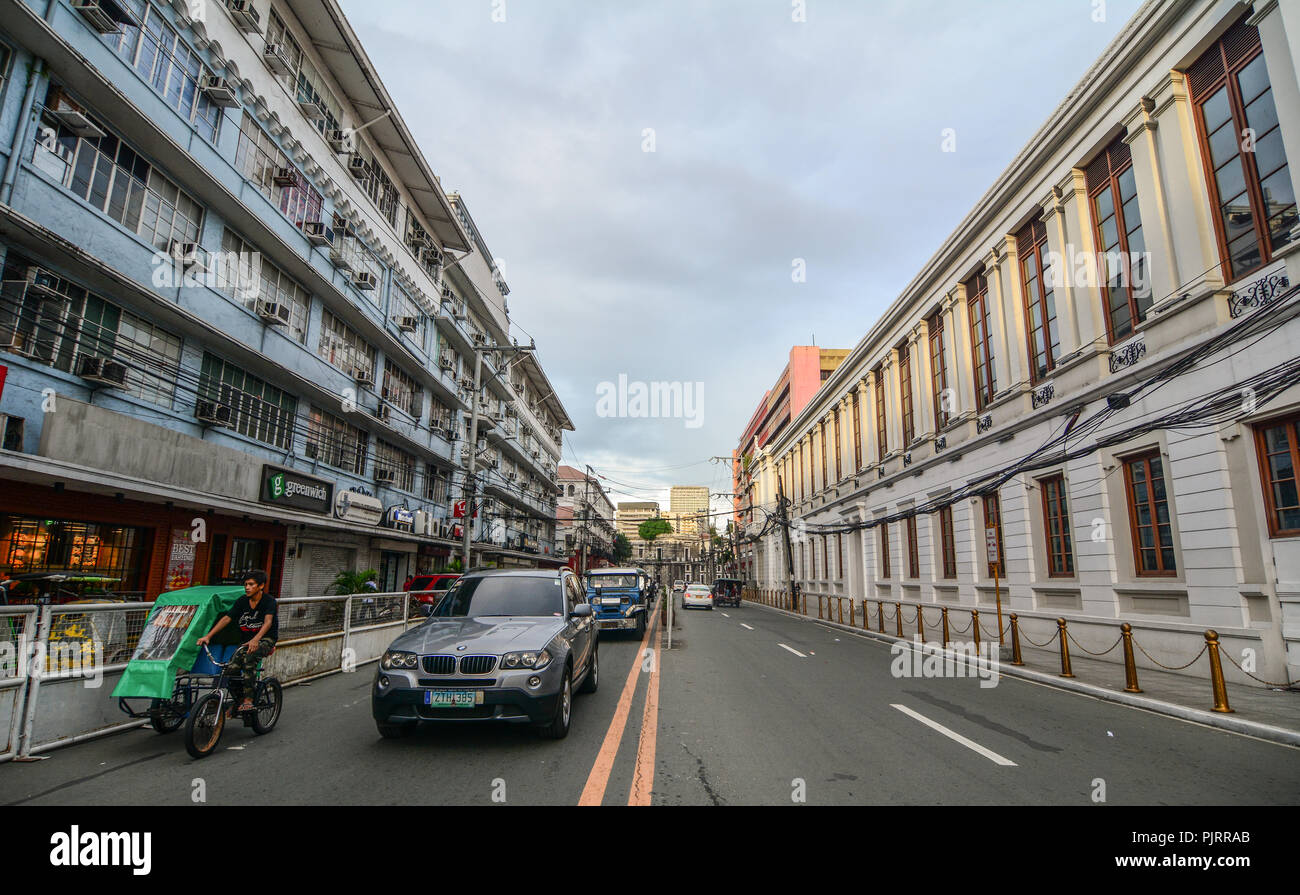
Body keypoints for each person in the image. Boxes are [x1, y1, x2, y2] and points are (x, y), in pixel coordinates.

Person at [197, 571, 277, 714]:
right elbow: (227, 618)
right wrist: (208, 636)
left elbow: (268, 622)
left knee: (249, 659)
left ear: (261, 586)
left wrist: (255, 640)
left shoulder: (269, 601)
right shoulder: (242, 601)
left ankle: (248, 700)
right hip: (246, 642)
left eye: (251, 584)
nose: (247, 587)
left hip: (265, 639)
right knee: (230, 670)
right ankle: (239, 700)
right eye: (246, 584)